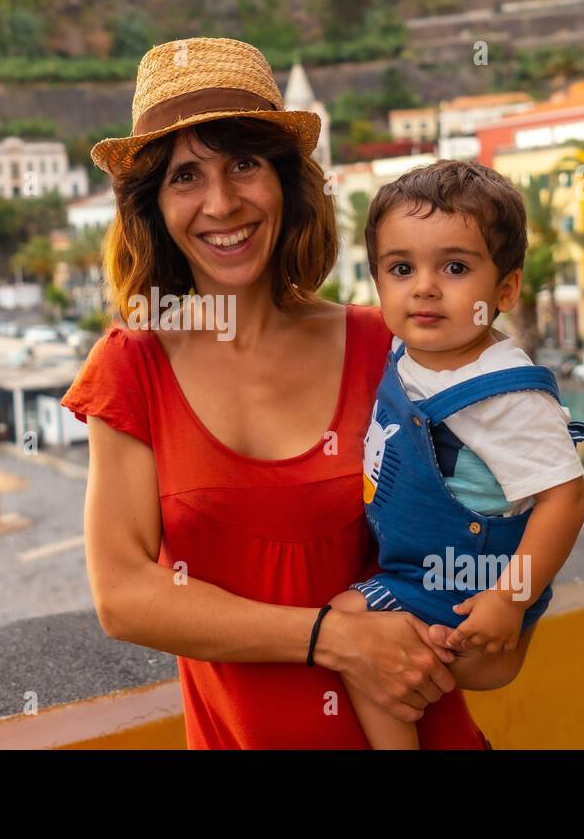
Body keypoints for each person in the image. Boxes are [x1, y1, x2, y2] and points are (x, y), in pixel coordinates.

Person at [61, 37, 491, 749]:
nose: (222, 203)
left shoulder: (383, 346)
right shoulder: (132, 366)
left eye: (244, 164)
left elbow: (476, 533)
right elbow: (124, 596)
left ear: (286, 182)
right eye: (186, 176)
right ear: (154, 206)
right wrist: (334, 640)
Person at [326, 159, 584, 749]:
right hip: (423, 578)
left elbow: (565, 500)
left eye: (454, 267)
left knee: (346, 630)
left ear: (505, 289)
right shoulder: (409, 356)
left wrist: (508, 599)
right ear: (378, 284)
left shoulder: (506, 396)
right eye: (401, 268)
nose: (424, 286)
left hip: (468, 604)